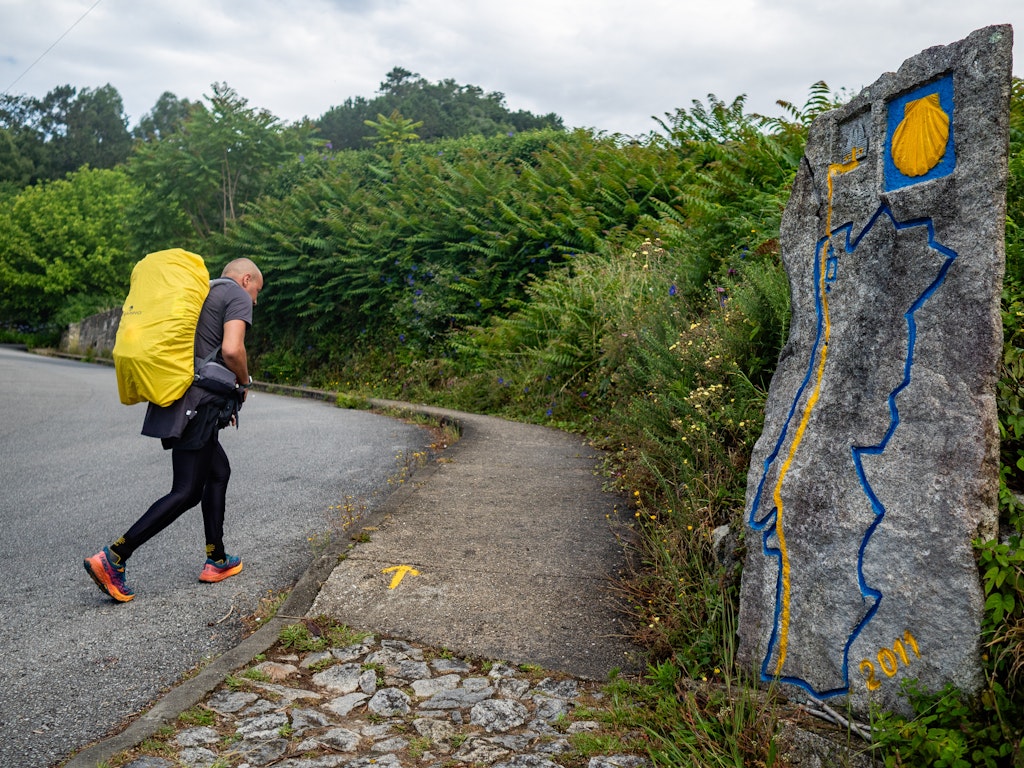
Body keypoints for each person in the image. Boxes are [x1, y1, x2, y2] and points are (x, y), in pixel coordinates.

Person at [85, 258, 264, 602]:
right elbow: (231, 348)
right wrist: (244, 382)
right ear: (245, 280)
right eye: (256, 291)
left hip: (179, 398)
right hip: (199, 405)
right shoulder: (236, 296)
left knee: (218, 472)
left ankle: (216, 558)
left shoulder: (202, 294)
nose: (254, 301)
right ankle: (114, 556)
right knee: (185, 491)